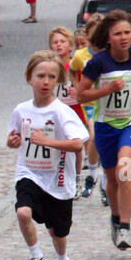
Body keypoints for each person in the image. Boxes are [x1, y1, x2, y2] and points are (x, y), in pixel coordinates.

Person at [7, 50, 87, 260]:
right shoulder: (21, 110)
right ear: (29, 78)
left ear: (59, 80)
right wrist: (13, 141)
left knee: (57, 232)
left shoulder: (62, 112)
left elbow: (78, 143)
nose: (46, 82)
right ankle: (35, 256)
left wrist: (48, 142)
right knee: (23, 213)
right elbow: (14, 137)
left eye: (52, 77)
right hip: (29, 173)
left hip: (58, 179)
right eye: (40, 75)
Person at [77, 9, 131, 251]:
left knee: (124, 169)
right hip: (105, 126)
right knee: (112, 178)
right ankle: (116, 218)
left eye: (127, 32)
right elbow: (81, 93)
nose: (123, 37)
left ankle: (126, 227)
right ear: (108, 37)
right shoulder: (98, 62)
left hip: (130, 124)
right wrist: (106, 90)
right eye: (117, 33)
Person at [49, 26, 90, 186]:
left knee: (76, 147)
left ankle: (76, 178)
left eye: (62, 42)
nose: (58, 45)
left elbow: (85, 86)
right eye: (54, 42)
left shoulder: (75, 64)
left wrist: (78, 91)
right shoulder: (49, 66)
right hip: (56, 112)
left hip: (75, 110)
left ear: (70, 46)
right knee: (57, 145)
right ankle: (57, 177)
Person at [70, 16, 103, 198]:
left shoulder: (111, 52)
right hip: (89, 103)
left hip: (107, 103)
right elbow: (72, 70)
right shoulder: (81, 55)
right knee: (93, 135)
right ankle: (92, 172)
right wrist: (77, 87)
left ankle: (102, 180)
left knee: (104, 141)